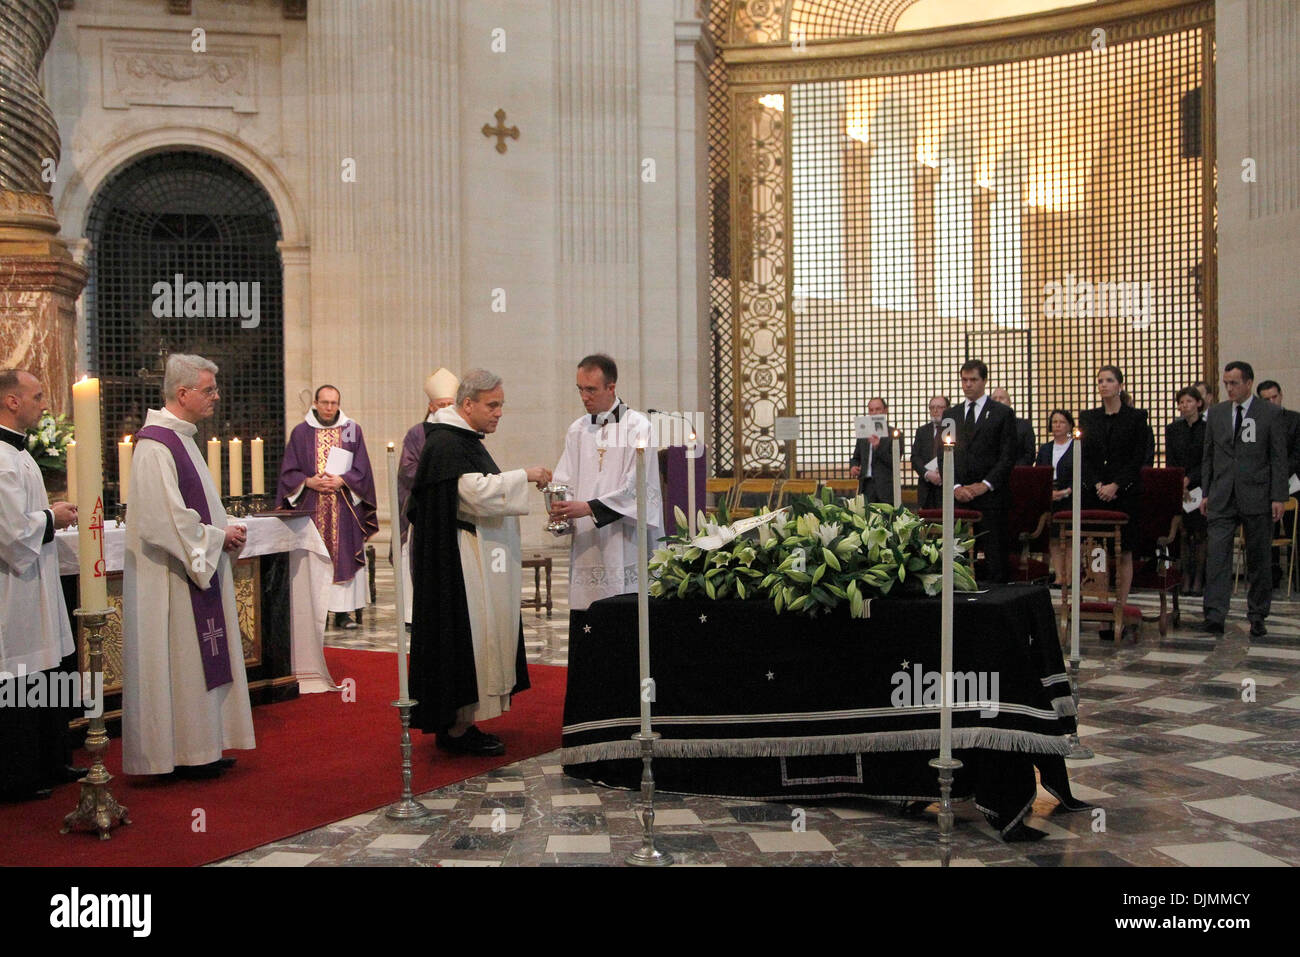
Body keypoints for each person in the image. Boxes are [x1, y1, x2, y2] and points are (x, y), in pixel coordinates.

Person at [407, 369, 552, 757]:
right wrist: (526, 475)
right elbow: (476, 494)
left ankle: (461, 722)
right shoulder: (447, 444)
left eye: (501, 404)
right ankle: (457, 728)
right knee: (468, 640)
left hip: (471, 556)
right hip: (460, 562)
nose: (499, 413)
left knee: (476, 639)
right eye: (492, 405)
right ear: (467, 404)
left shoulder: (459, 439)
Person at [123, 354, 255, 777]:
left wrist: (221, 528)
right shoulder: (155, 445)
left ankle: (202, 748)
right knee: (179, 660)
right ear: (182, 393)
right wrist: (218, 537)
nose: (216, 396)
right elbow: (162, 520)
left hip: (192, 569)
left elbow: (194, 508)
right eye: (208, 390)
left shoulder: (181, 438)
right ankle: (178, 755)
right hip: (171, 577)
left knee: (196, 660)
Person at [0, 370, 83, 800]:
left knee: (47, 667)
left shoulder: (20, 454)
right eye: (36, 396)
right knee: (19, 675)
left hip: (36, 581)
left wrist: (49, 515)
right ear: (12, 401)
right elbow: (12, 533)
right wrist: (54, 517)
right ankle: (19, 775)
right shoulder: (0, 456)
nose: (43, 404)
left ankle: (51, 760)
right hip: (13, 589)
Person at [549, 354, 663, 624]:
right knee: (588, 614)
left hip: (624, 537)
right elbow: (564, 478)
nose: (584, 397)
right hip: (588, 540)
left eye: (591, 390)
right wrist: (560, 507)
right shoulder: (577, 430)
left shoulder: (638, 427)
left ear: (611, 388)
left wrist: (588, 507)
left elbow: (639, 488)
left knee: (620, 613)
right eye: (580, 389)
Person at [277, 385, 379, 630]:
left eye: (334, 403)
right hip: (312, 506)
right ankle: (316, 613)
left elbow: (362, 468)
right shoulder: (301, 433)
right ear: (315, 403)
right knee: (315, 558)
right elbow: (289, 471)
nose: (329, 408)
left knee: (344, 553)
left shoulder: (350, 430)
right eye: (325, 403)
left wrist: (343, 480)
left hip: (343, 507)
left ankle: (343, 613)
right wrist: (308, 481)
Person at [1200, 361, 1289, 637]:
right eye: (1226, 383)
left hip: (1257, 493)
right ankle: (1214, 613)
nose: (1229, 388)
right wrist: (1205, 492)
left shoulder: (1270, 414)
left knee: (1259, 557)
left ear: (1249, 383)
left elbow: (1278, 458)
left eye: (1234, 383)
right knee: (1217, 555)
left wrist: (1278, 496)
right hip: (1222, 493)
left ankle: (1258, 613)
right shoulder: (1216, 414)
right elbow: (1208, 456)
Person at [1078, 365, 1149, 636]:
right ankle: (1102, 605)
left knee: (1124, 551)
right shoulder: (1089, 417)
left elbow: (1137, 457)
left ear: (1119, 385)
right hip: (1095, 492)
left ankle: (1121, 604)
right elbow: (1084, 456)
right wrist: (1097, 484)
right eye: (1100, 381)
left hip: (1125, 492)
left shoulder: (1135, 417)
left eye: (1109, 380)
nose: (1103, 385)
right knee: (1097, 549)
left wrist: (1116, 484)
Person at [945, 361, 1018, 582]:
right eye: (964, 380)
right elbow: (944, 455)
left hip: (992, 496)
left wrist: (985, 485)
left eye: (973, 380)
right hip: (960, 495)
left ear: (984, 381)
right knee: (958, 553)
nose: (968, 385)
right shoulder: (952, 414)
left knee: (994, 552)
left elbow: (1007, 456)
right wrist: (956, 486)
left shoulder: (1002, 413)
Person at [398, 368, 459, 626]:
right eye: (441, 404)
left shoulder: (462, 433)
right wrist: (436, 476)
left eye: (449, 404)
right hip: (422, 509)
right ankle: (415, 616)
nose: (445, 409)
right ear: (431, 406)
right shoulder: (417, 433)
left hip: (453, 510)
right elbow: (407, 469)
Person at [1256, 379, 1300, 589]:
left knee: (1294, 529)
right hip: (1266, 485)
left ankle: (1296, 577)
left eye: (1275, 397)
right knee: (1267, 534)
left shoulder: (1295, 420)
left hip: (1293, 484)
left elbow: (1297, 454)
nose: (1272, 402)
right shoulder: (1256, 422)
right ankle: (1271, 575)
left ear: (1281, 396)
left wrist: (1281, 474)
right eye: (1267, 399)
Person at [1166, 386, 1207, 594]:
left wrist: (1191, 478)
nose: (1184, 406)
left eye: (1189, 401)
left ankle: (1199, 578)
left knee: (1199, 535)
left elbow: (1208, 460)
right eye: (1181, 402)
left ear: (1198, 403)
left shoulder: (1208, 428)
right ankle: (1185, 576)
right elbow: (1171, 458)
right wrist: (1178, 479)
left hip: (1201, 487)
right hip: (1179, 487)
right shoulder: (1173, 429)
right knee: (1182, 533)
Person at [1035, 409, 1075, 585]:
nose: (1057, 425)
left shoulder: (1076, 446)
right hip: (1050, 496)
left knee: (1070, 537)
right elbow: (1039, 472)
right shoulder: (1045, 448)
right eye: (1055, 422)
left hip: (1070, 496)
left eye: (1061, 422)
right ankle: (1059, 576)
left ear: (1069, 425)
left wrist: (1067, 491)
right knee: (1054, 538)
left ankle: (1071, 576)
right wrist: (1048, 493)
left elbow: (1083, 473)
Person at [850, 397, 894, 504]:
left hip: (884, 488)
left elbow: (894, 462)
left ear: (885, 411)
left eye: (878, 409)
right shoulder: (863, 434)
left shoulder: (893, 434)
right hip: (866, 485)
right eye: (871, 410)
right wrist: (853, 466)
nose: (874, 413)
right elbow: (856, 457)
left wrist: (878, 447)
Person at [910, 395, 949, 510]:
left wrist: (942, 474)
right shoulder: (922, 431)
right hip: (926, 488)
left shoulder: (954, 430)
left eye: (939, 407)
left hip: (947, 486)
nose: (935, 411)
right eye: (932, 408)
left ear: (947, 409)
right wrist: (927, 474)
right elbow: (915, 457)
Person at [991, 387, 1036, 466]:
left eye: (1001, 398)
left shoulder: (1024, 426)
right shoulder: (985, 426)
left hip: (1018, 473)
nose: (998, 401)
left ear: (1009, 402)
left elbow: (1029, 454)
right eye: (994, 398)